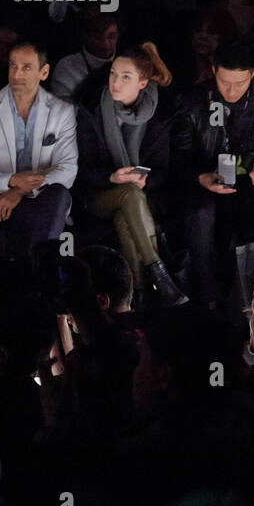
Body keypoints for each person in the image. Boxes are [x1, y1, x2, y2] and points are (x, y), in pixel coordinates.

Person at [73, 42, 187, 307]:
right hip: (96, 194)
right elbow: (81, 170)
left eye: (126, 77)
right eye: (113, 73)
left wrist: (146, 180)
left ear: (143, 83)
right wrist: (112, 177)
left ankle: (139, 293)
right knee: (129, 195)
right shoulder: (91, 107)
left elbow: (163, 169)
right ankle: (159, 271)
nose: (115, 82)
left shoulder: (160, 113)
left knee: (127, 213)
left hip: (140, 198)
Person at [172, 41, 254, 309]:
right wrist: (200, 177)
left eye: (240, 83)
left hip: (251, 187)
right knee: (201, 215)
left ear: (253, 73)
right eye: (225, 82)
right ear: (213, 70)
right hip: (206, 188)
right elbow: (178, 162)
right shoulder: (191, 103)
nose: (232, 90)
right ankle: (209, 300)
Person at [0, 38, 77, 260]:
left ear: (43, 73)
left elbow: (67, 170)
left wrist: (21, 190)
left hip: (45, 199)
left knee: (58, 194)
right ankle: (40, 280)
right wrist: (12, 182)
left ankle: (31, 280)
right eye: (13, 66)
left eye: (26, 67)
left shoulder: (62, 112)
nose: (17, 74)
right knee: (41, 216)